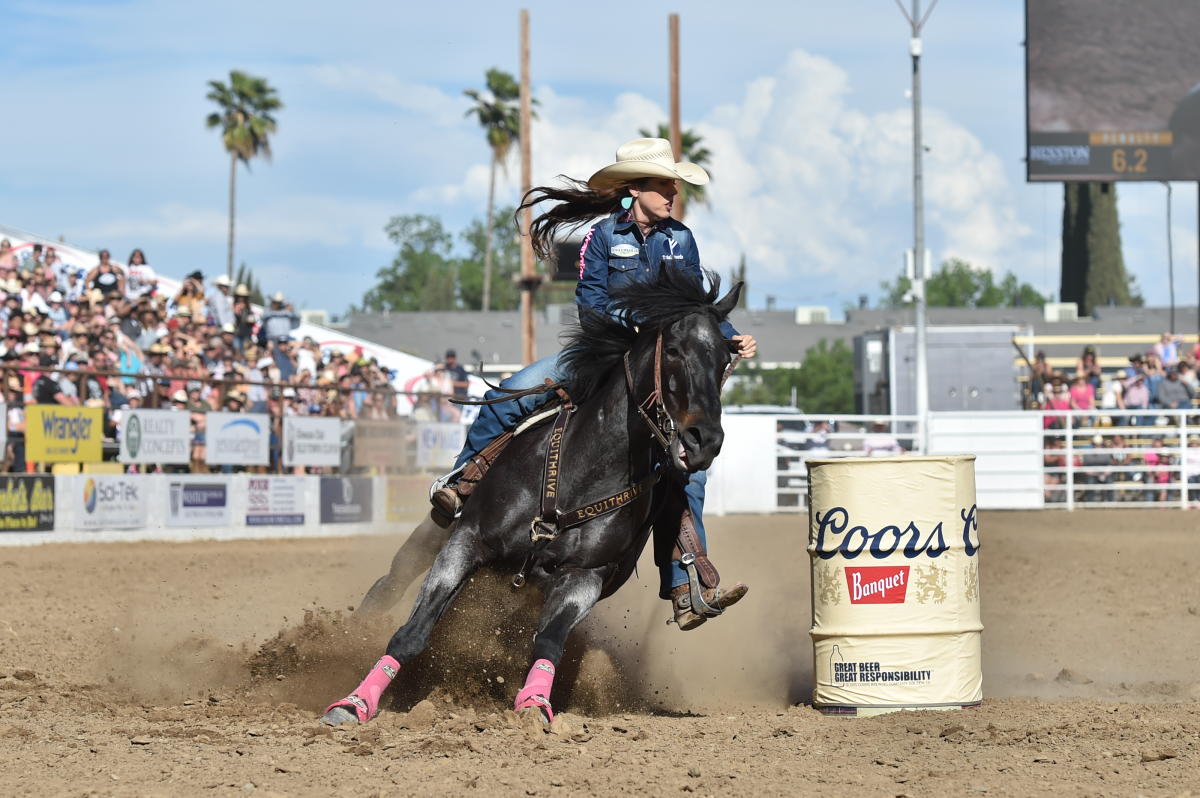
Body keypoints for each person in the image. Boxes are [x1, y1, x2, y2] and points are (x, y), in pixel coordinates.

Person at [432, 137, 756, 628]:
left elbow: (696, 311)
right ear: (635, 189)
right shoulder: (603, 237)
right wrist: (642, 324)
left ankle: (684, 581)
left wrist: (728, 336)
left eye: (673, 185)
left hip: (657, 366)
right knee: (513, 390)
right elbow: (591, 304)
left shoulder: (681, 240)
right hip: (604, 352)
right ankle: (461, 481)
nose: (672, 193)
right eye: (663, 184)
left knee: (688, 468)